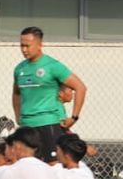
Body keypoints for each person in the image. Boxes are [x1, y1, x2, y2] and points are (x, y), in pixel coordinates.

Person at [12, 26, 88, 162]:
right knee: (27, 164)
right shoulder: (19, 69)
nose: (24, 50)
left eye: (28, 46)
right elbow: (16, 93)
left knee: (53, 164)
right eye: (21, 45)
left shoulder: (52, 66)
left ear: (40, 45)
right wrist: (18, 116)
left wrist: (74, 117)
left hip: (49, 123)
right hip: (27, 125)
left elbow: (80, 87)